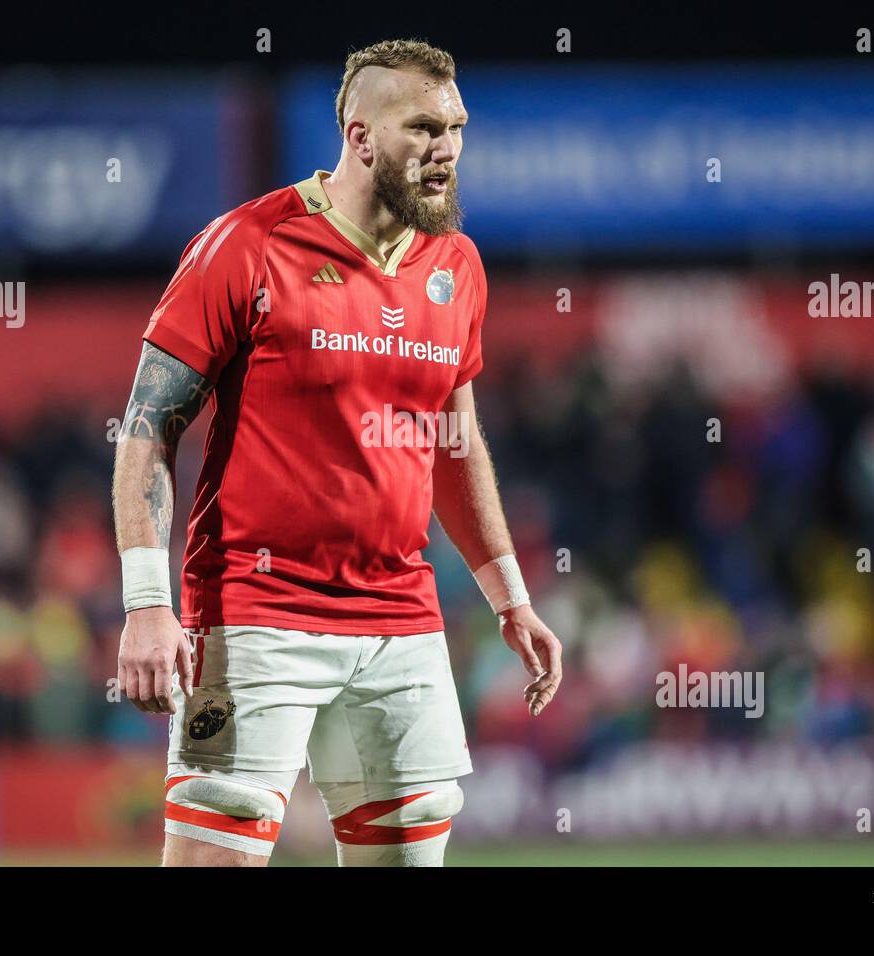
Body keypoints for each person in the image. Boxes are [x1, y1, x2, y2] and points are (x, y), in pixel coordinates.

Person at [111, 38, 562, 867]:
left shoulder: (457, 266)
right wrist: (147, 604)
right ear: (359, 136)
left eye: (456, 126)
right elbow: (148, 427)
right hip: (255, 611)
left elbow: (453, 445)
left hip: (402, 621)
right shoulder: (245, 246)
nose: (448, 150)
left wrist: (510, 598)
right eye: (424, 128)